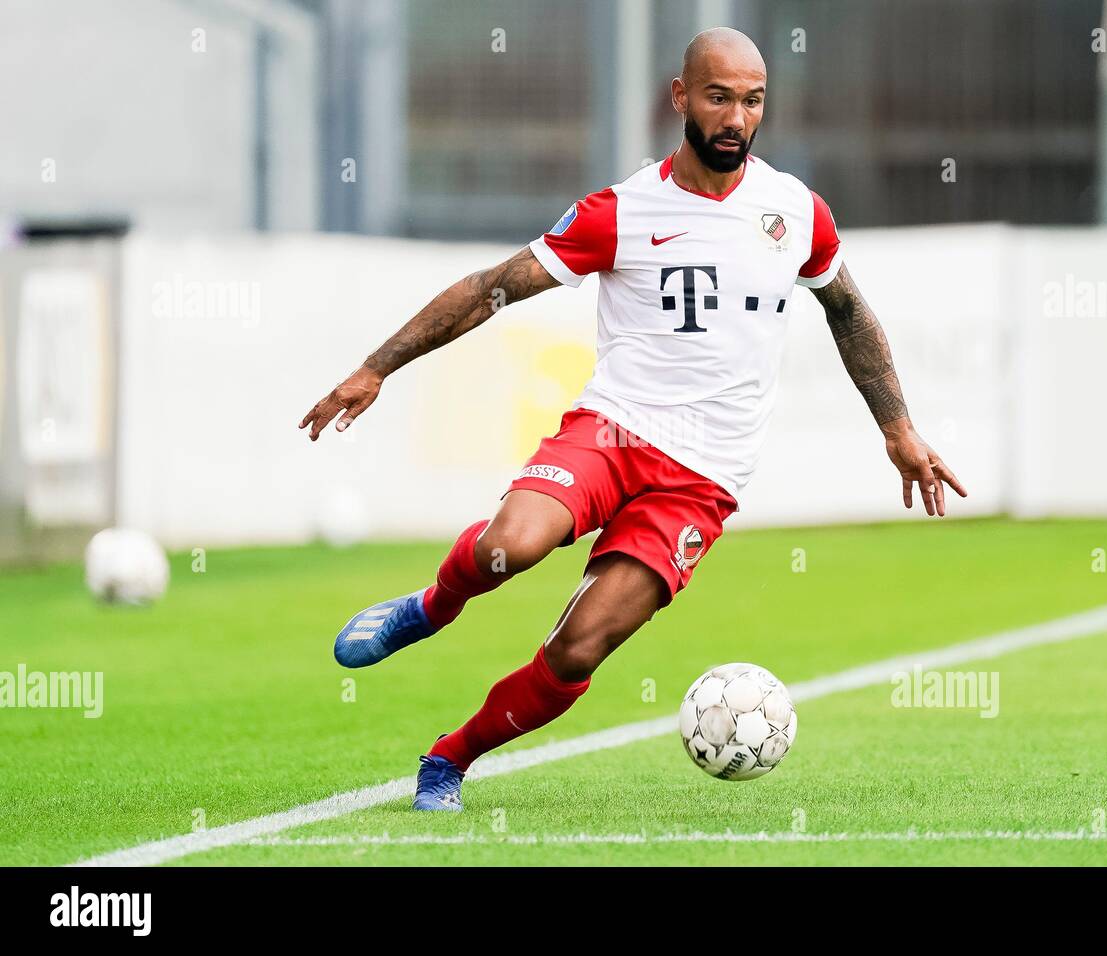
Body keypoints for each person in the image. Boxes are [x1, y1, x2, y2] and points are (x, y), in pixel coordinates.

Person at [299, 28, 966, 811]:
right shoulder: (622, 210)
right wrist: (378, 366)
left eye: (753, 101)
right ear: (680, 96)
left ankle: (448, 760)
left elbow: (848, 310)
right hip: (612, 434)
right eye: (719, 97)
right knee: (509, 548)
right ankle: (430, 607)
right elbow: (492, 287)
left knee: (579, 649)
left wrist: (897, 429)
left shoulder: (794, 212)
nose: (736, 119)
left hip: (702, 480)